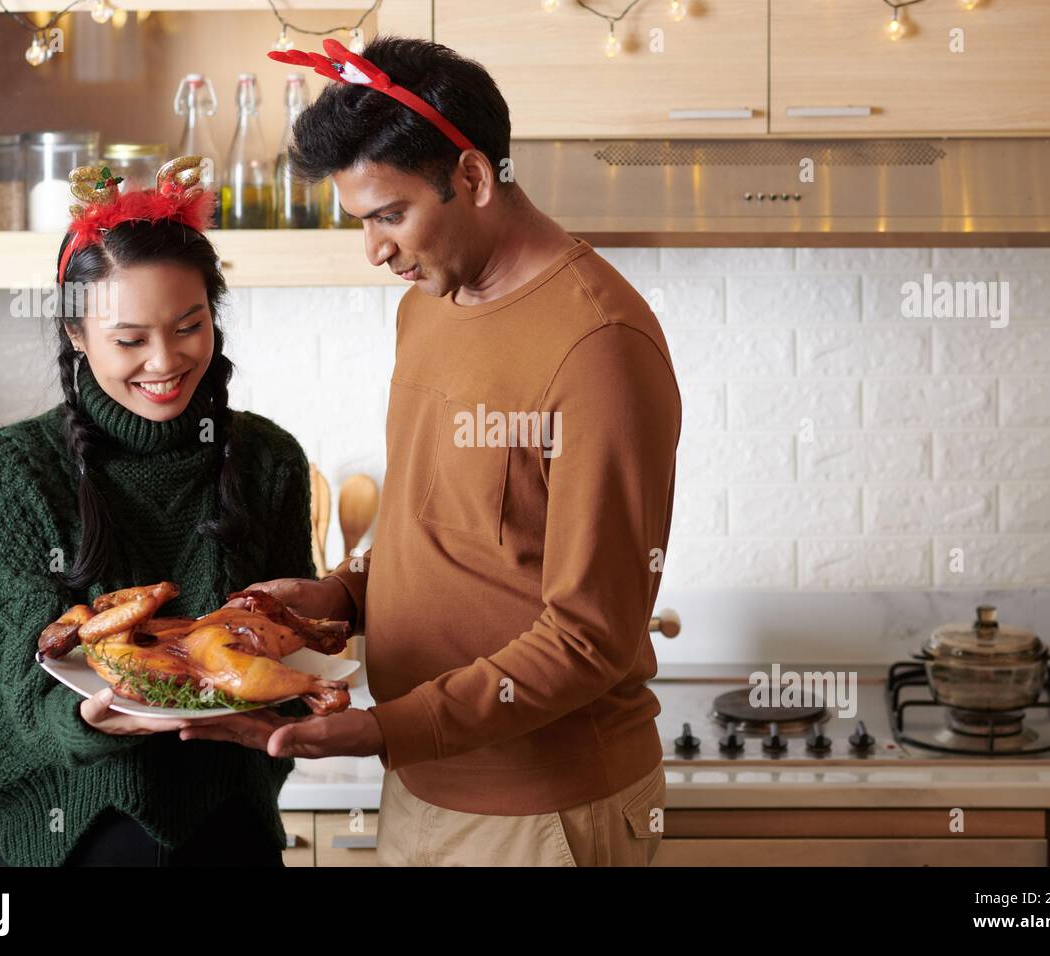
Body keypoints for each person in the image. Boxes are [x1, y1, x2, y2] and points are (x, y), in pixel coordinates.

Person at [183, 36, 682, 867]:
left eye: (390, 214)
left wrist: (383, 728)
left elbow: (591, 635)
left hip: (542, 813)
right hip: (421, 783)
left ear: (475, 178)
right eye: (362, 221)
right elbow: (449, 535)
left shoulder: (599, 345)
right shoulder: (431, 302)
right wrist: (338, 595)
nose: (374, 250)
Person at [0, 161, 314, 866]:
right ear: (76, 335)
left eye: (189, 326)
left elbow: (287, 636)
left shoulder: (269, 459)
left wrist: (298, 697)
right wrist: (83, 716)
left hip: (229, 822)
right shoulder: (17, 468)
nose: (165, 360)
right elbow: (22, 666)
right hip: (71, 829)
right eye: (129, 339)